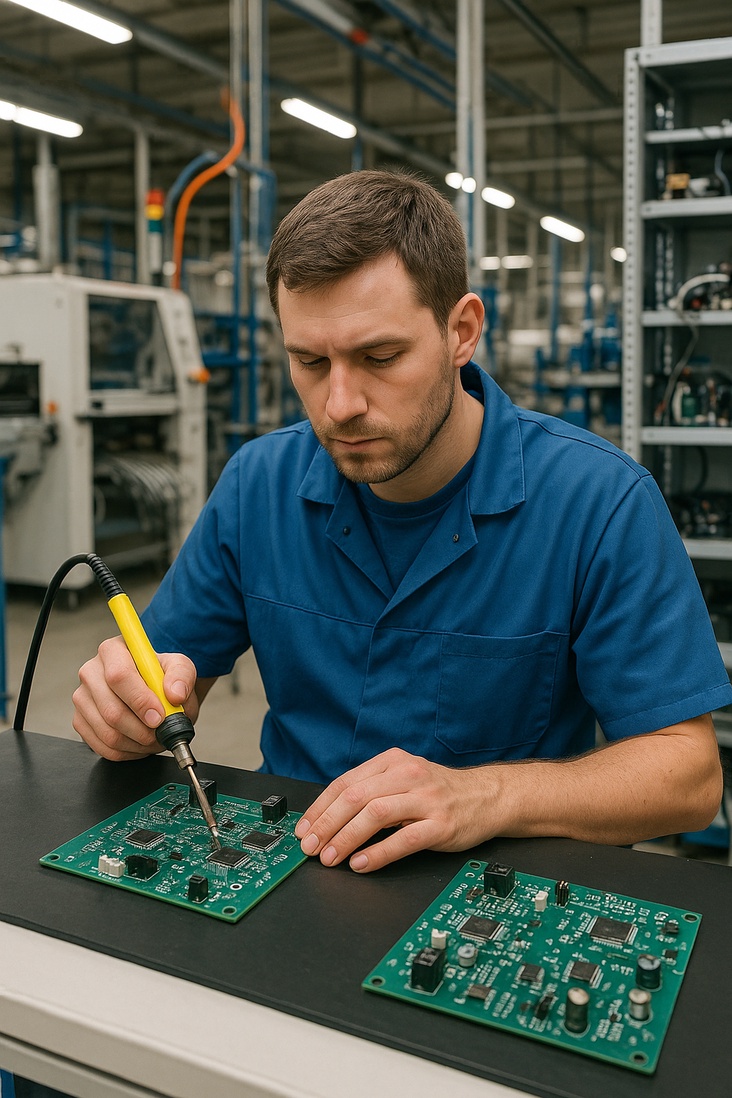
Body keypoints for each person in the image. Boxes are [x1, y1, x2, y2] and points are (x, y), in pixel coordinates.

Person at [73, 169, 732, 875]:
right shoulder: (257, 484)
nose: (340, 404)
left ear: (462, 331)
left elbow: (688, 778)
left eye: (380, 357)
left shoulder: (598, 501)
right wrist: (128, 710)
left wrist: (486, 795)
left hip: (492, 894)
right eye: (309, 361)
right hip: (285, 867)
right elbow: (167, 681)